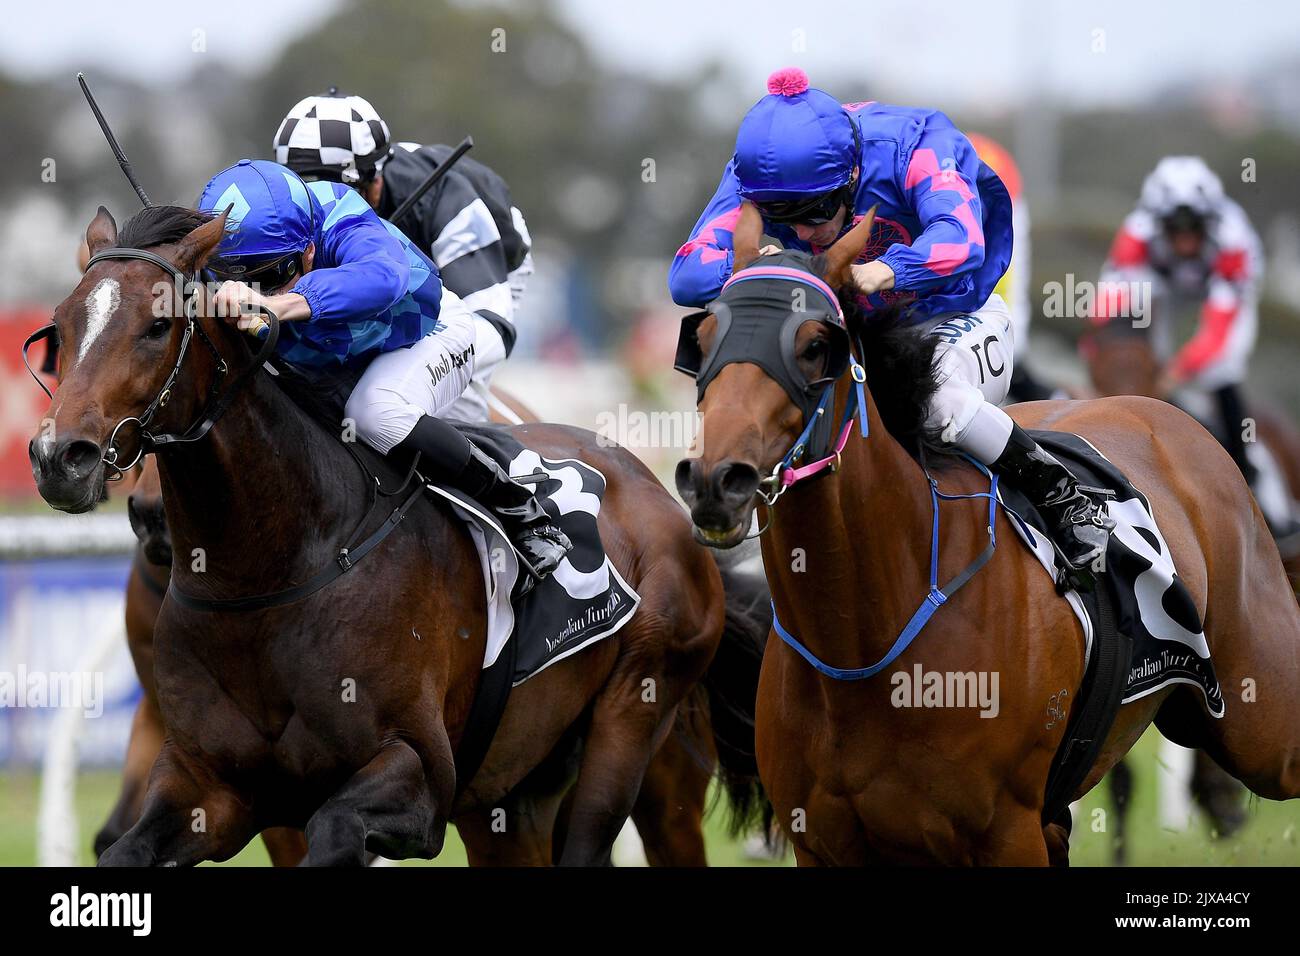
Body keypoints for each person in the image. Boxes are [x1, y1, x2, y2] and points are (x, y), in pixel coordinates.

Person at [669, 68, 1114, 588]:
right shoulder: (754, 177)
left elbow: (960, 239)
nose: (805, 233)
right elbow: (686, 273)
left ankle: (1062, 495)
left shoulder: (919, 141)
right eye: (781, 218)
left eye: (816, 212)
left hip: (948, 315)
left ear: (852, 176)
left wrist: (889, 270)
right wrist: (748, 266)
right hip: (851, 334)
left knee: (937, 398)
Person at [196, 158, 570, 582]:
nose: (261, 289)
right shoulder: (218, 258)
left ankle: (520, 510)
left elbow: (383, 277)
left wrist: (277, 305)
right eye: (244, 280)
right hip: (337, 360)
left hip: (426, 333)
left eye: (274, 275)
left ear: (309, 250)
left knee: (373, 412)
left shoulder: (339, 212)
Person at [272, 88, 532, 423]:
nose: (325, 205)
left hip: (490, 265)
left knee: (437, 389)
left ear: (375, 182)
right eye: (309, 192)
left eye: (338, 190)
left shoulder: (448, 203)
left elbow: (491, 329)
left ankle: (494, 468)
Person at [1097, 156, 1264, 486]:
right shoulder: (1137, 233)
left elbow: (1216, 333)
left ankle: (1247, 466)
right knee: (1145, 353)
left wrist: (1177, 371)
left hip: (1220, 282)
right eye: (1175, 227)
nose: (1186, 237)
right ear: (1157, 223)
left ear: (1210, 222)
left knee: (1221, 368)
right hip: (1167, 284)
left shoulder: (1233, 242)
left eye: (1195, 226)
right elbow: (1105, 308)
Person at [966, 132, 1056, 402]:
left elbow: (1012, 284)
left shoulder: (1002, 206)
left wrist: (1013, 349)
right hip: (968, 193)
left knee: (1004, 284)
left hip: (1004, 195)